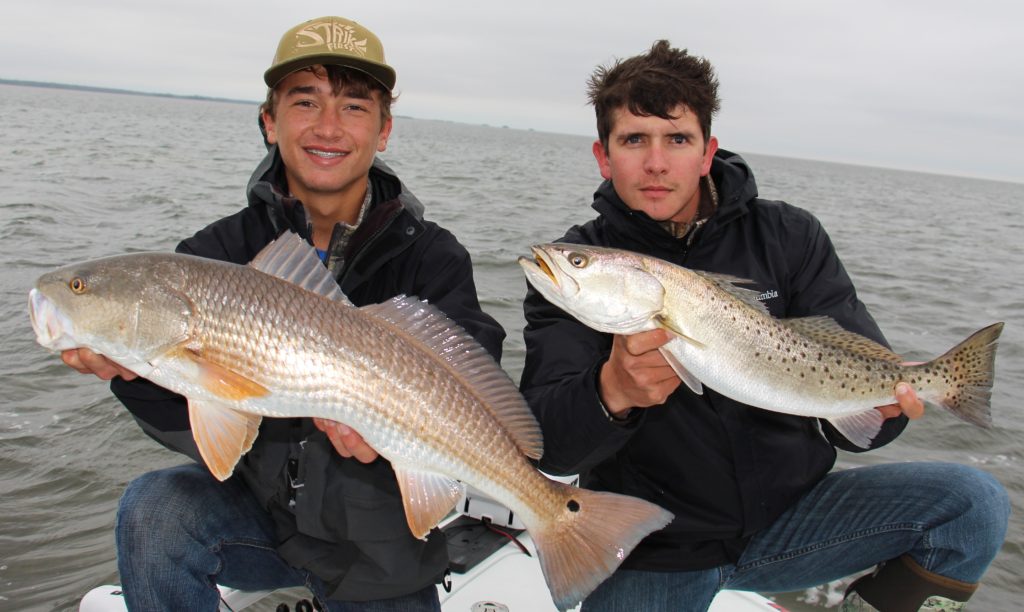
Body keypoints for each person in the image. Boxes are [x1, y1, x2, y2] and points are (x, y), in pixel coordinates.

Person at [519, 40, 1009, 612]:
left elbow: (859, 417)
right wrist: (613, 394)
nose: (656, 162)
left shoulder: (789, 236)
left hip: (794, 516)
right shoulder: (578, 268)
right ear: (604, 156)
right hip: (655, 545)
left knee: (972, 504)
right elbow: (549, 450)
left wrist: (889, 406)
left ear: (707, 152)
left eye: (677, 139)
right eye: (634, 140)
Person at [60, 16, 504, 611]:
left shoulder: (433, 256)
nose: (327, 127)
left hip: (382, 548)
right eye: (304, 102)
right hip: (261, 518)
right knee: (153, 511)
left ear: (384, 130)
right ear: (270, 122)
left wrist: (396, 438)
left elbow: (477, 373)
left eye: (353, 106)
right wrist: (131, 372)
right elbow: (198, 425)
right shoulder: (213, 255)